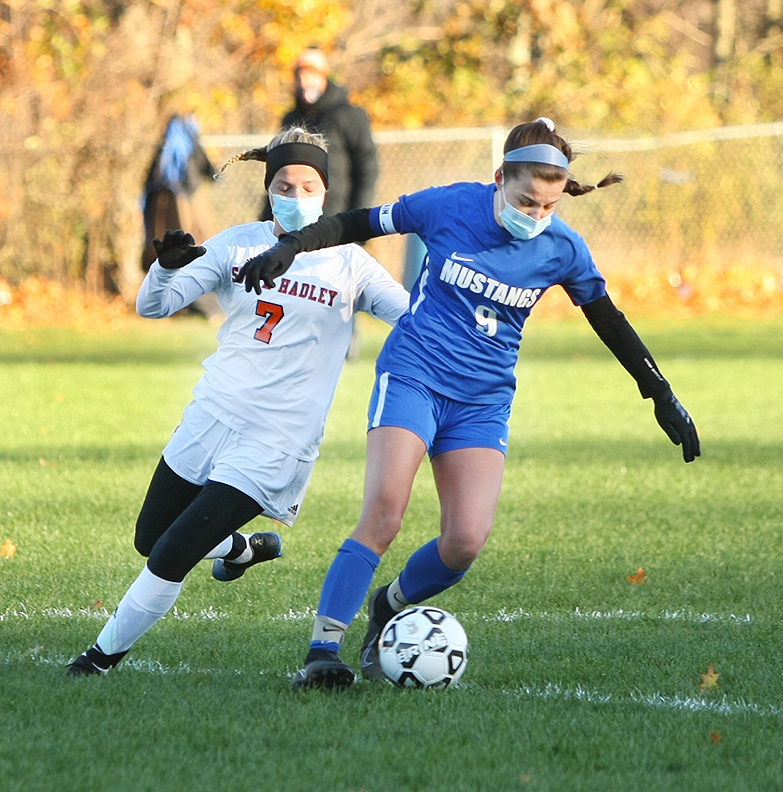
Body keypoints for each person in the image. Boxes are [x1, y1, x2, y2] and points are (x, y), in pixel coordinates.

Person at [234, 117, 701, 692]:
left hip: (482, 402)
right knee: (384, 514)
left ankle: (388, 606)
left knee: (464, 542)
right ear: (499, 176)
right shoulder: (449, 205)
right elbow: (360, 221)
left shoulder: (562, 250)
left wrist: (661, 392)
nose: (533, 216)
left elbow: (609, 320)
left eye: (547, 207)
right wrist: (293, 246)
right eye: (525, 200)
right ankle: (323, 650)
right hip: (415, 375)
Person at [66, 127, 408, 677]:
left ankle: (97, 661)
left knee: (171, 553)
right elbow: (154, 306)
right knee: (149, 537)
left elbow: (410, 317)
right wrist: (167, 267)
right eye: (283, 185)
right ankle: (239, 550)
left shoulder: (350, 264)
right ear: (268, 188)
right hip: (212, 415)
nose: (295, 197)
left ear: (327, 191)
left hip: (277, 439)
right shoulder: (235, 243)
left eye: (308, 186)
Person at [141, 113, 223, 321]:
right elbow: (204, 166)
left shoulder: (169, 140)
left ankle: (195, 303)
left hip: (181, 199)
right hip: (185, 200)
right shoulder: (184, 134)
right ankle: (194, 304)